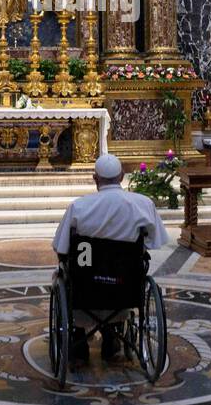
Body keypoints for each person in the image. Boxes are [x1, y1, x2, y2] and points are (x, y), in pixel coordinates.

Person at [53, 154, 169, 361]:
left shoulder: (79, 207)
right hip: (126, 286)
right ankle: (112, 332)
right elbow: (155, 241)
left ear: (95, 178)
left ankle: (78, 336)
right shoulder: (143, 204)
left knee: (68, 272)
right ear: (122, 176)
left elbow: (61, 248)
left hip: (85, 287)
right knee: (125, 270)